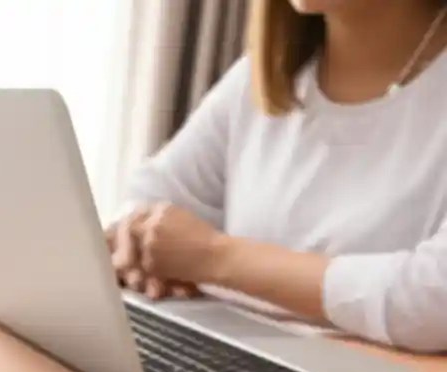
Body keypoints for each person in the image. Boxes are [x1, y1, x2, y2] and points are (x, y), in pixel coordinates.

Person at [109, 0, 447, 353]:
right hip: (239, 364)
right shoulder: (263, 76)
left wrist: (215, 258)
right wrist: (141, 251)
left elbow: (433, 301)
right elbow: (150, 201)